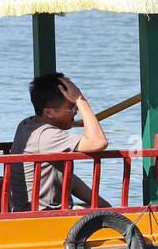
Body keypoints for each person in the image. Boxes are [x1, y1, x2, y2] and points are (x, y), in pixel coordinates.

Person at [10, 72, 108, 212]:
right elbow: (98, 142)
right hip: (43, 213)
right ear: (49, 112)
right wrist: (81, 100)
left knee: (102, 211)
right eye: (72, 108)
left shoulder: (26, 124)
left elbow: (69, 178)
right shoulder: (47, 135)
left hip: (30, 209)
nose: (76, 112)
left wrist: (103, 204)